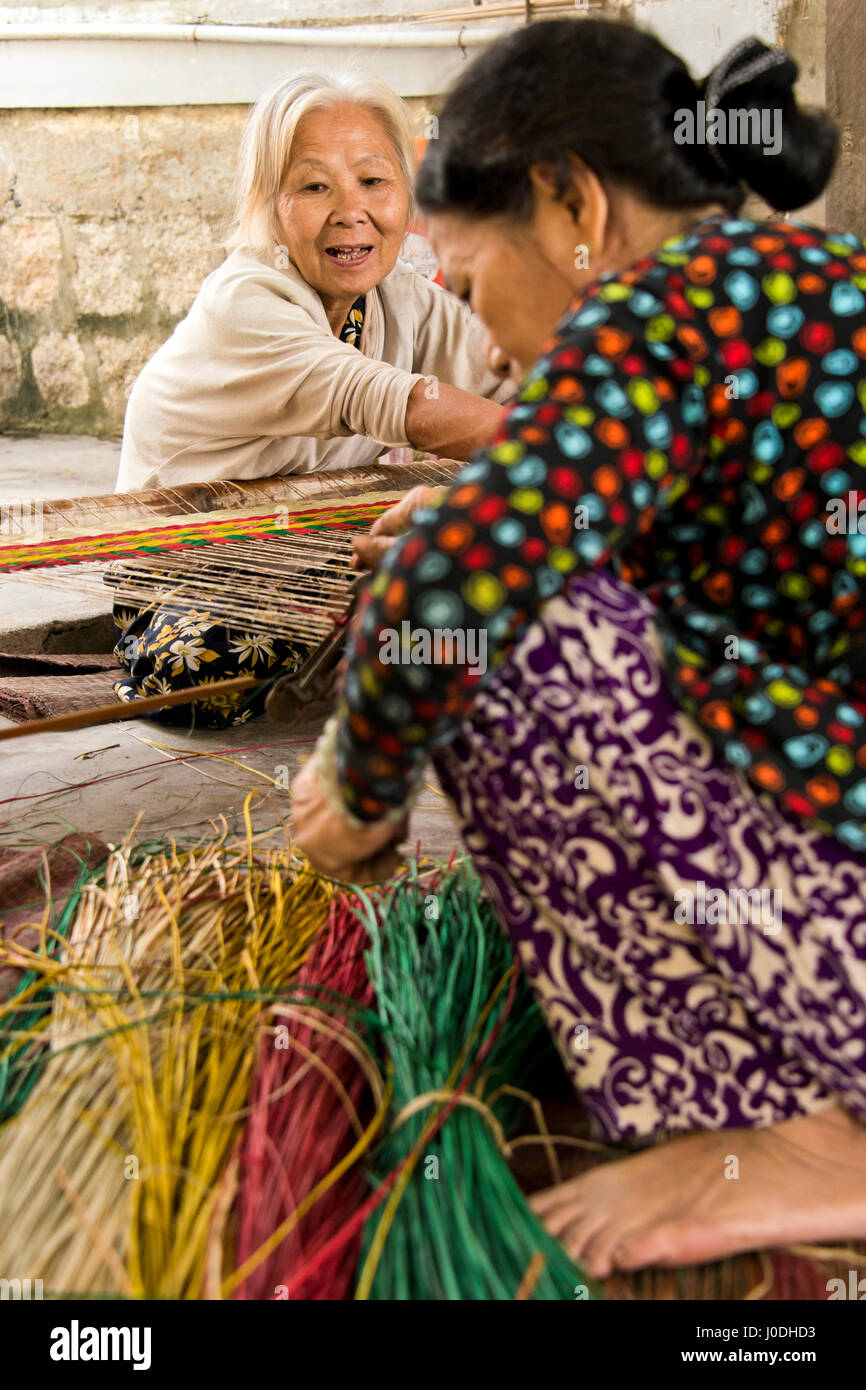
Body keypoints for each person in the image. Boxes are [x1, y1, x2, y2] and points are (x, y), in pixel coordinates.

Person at [292, 18, 866, 1279]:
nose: (479, 329)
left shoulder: (653, 314)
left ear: (570, 206)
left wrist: (356, 788)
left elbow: (457, 594)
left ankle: (799, 1134)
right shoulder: (796, 289)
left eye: (473, 275)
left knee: (486, 635)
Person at [112, 71, 508, 727]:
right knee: (231, 662)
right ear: (271, 204)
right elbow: (405, 406)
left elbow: (513, 370)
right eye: (314, 186)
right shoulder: (246, 299)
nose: (350, 210)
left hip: (311, 552)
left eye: (374, 182)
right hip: (187, 588)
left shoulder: (397, 296)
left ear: (406, 200)